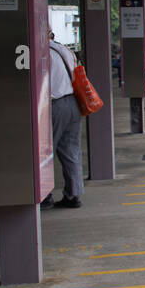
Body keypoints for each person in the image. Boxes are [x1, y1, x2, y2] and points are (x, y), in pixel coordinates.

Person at [44, 29, 84, 209]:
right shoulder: (64, 50)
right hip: (73, 103)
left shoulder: (41, 54)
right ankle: (73, 195)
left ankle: (44, 196)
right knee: (71, 151)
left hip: (54, 105)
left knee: (44, 152)